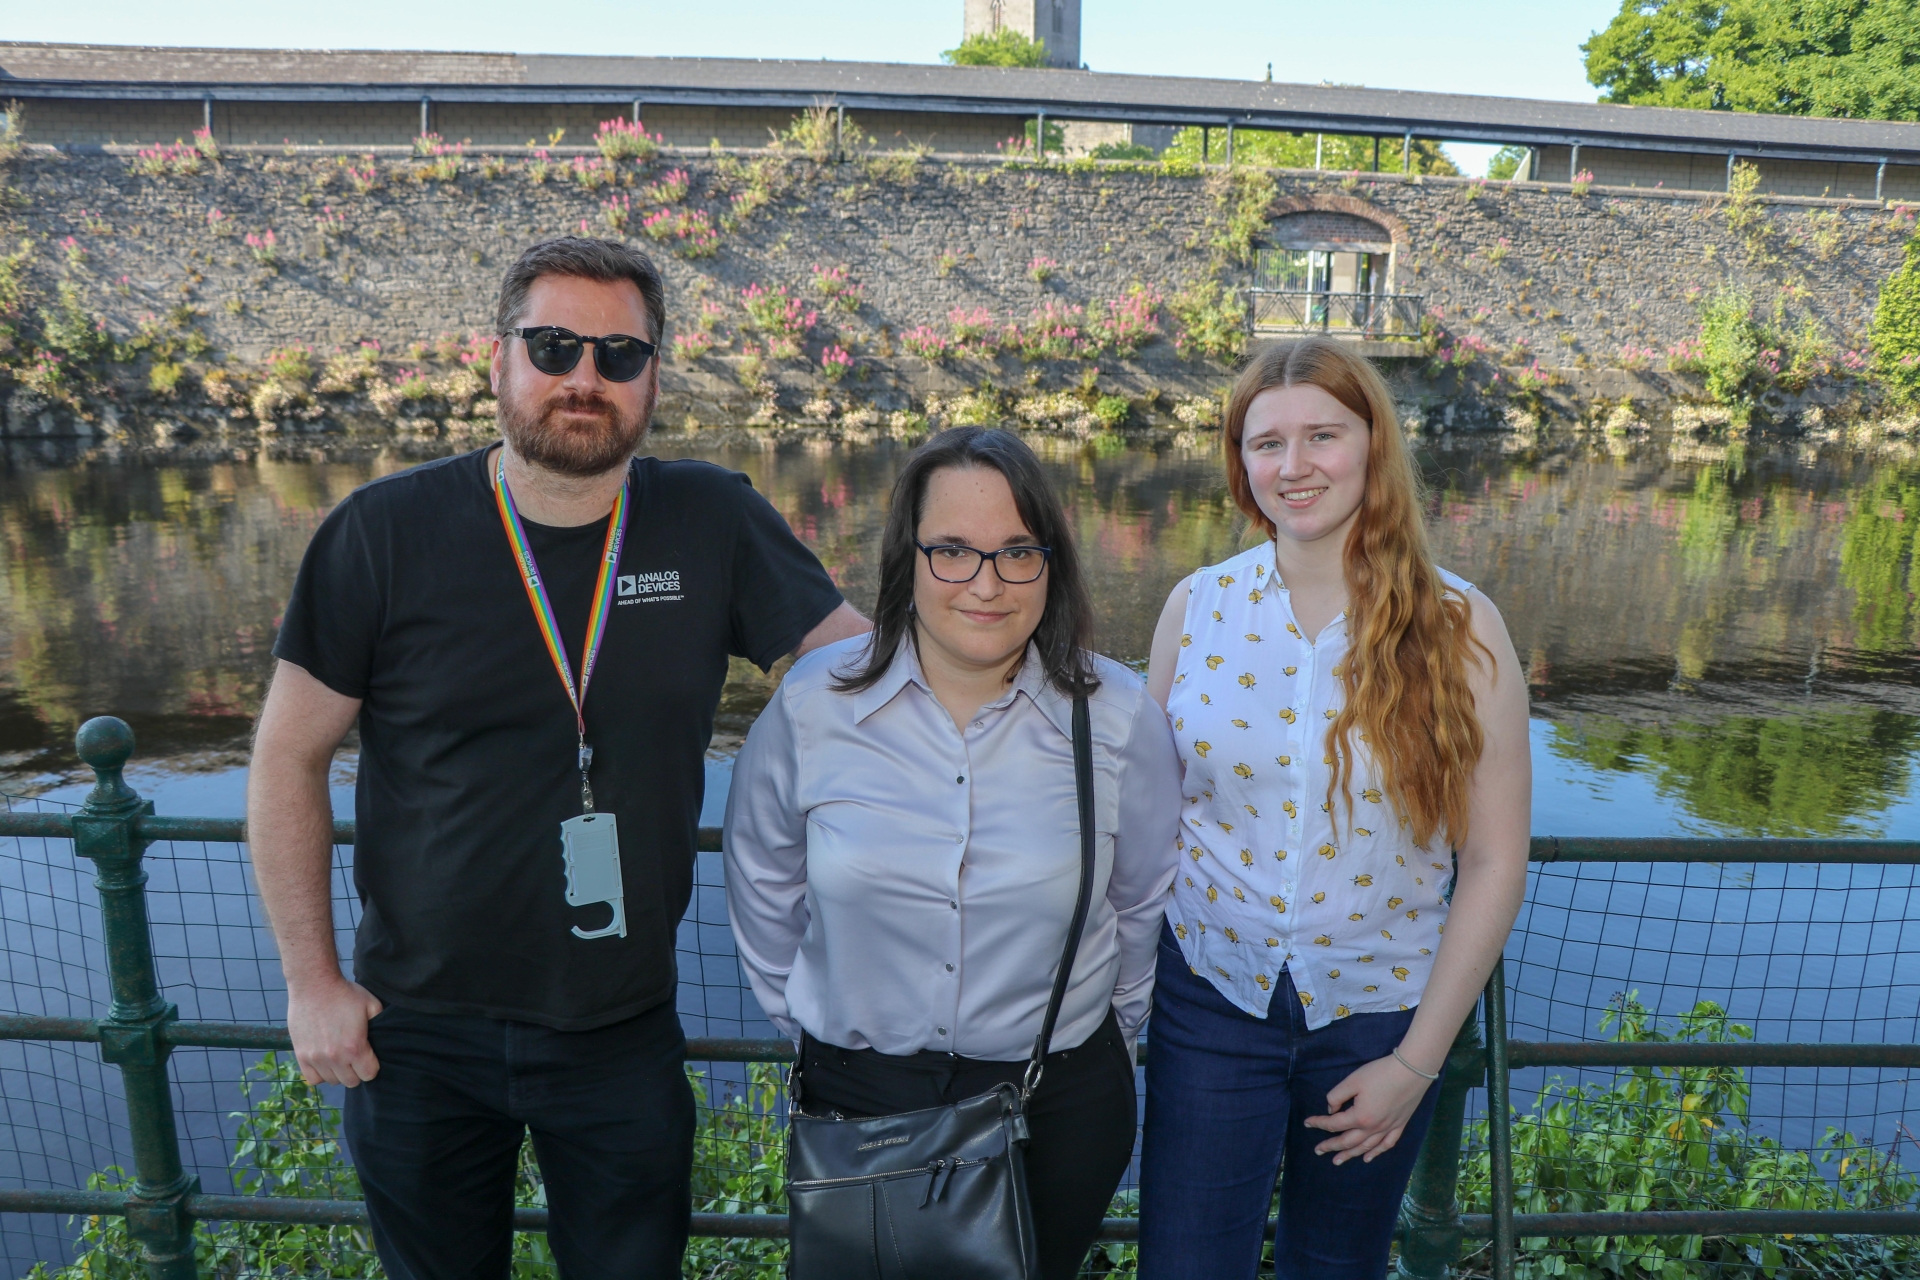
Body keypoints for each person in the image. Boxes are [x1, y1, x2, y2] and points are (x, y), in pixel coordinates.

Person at [246, 236, 868, 1280]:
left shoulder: (711, 519)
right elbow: (285, 758)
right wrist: (312, 982)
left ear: (655, 376)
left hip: (620, 1026)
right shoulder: (381, 533)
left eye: (620, 354)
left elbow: (863, 675)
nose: (586, 376)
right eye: (553, 347)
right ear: (498, 359)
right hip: (417, 1029)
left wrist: (1033, 682)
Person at [723, 426, 1182, 1280]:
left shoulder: (1116, 718)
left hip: (1055, 1107)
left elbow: (1141, 902)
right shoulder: (814, 705)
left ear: (1051, 564)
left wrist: (1092, 1036)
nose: (987, 583)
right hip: (861, 1108)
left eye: (1018, 552)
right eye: (953, 551)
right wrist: (828, 1033)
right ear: (908, 557)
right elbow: (761, 879)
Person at [1137, 337, 1531, 1279]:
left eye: (1323, 435)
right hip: (1211, 1003)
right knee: (1185, 1264)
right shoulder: (1196, 608)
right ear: (1240, 462)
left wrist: (1417, 1063)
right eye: (1266, 442)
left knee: (1336, 1266)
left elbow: (1493, 860)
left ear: (1373, 445)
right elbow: (1146, 823)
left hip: (1380, 1015)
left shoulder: (1461, 627)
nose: (1294, 465)